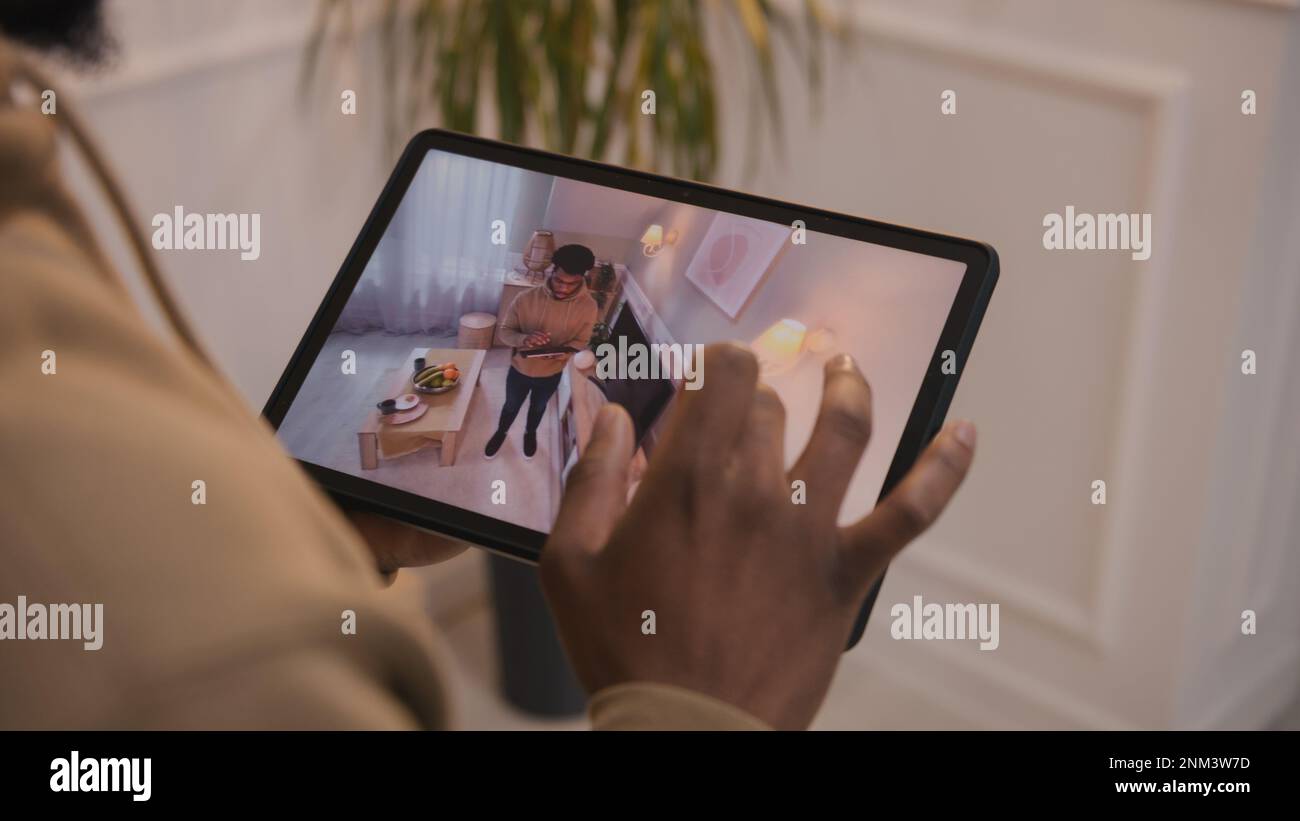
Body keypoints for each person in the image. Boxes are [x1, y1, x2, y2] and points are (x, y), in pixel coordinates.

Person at [0, 5, 976, 730]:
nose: (566, 275)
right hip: (532, 385)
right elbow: (520, 334)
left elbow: (559, 344)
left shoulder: (592, 303)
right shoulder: (213, 672)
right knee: (507, 419)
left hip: (549, 385)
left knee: (517, 419)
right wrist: (695, 707)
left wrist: (332, 536)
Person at [487, 244, 598, 461]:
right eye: (559, 280)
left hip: (551, 374)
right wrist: (524, 339)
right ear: (552, 271)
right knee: (511, 405)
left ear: (582, 279)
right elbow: (504, 332)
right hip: (520, 370)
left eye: (572, 284)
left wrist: (563, 354)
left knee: (538, 408)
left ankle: (530, 433)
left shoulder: (589, 307)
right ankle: (501, 432)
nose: (564, 288)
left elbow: (581, 341)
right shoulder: (525, 298)